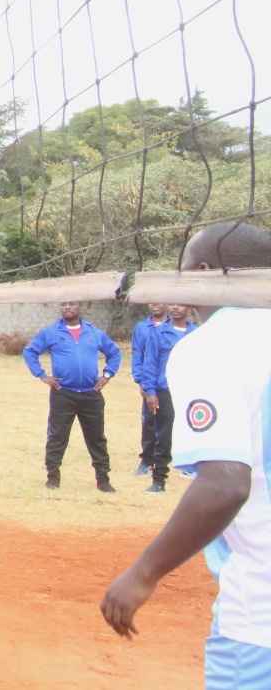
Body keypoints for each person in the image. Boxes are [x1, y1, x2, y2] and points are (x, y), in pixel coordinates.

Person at [100, 222, 271, 684]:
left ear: (202, 271)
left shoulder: (210, 345)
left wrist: (143, 573)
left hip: (259, 620)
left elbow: (225, 484)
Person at [23, 301, 121, 492]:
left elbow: (115, 353)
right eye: (64, 304)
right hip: (63, 393)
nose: (68, 307)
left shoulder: (94, 332)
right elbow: (30, 351)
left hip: (91, 394)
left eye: (72, 304)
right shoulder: (52, 332)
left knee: (97, 438)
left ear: (81, 308)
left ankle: (103, 479)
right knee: (57, 436)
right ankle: (53, 477)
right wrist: (42, 375)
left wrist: (107, 374)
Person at [139, 302, 199, 493]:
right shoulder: (158, 333)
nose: (175, 308)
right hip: (166, 392)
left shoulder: (197, 334)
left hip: (191, 392)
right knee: (163, 436)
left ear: (189, 308)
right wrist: (150, 391)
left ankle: (195, 474)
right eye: (172, 304)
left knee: (194, 432)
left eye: (180, 305)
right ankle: (159, 480)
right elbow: (150, 363)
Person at [130, 301, 169, 477]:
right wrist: (141, 382)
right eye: (151, 302)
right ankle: (147, 461)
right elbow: (137, 355)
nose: (155, 305)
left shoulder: (175, 326)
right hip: (151, 382)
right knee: (150, 422)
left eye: (159, 302)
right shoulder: (142, 328)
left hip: (173, 384)